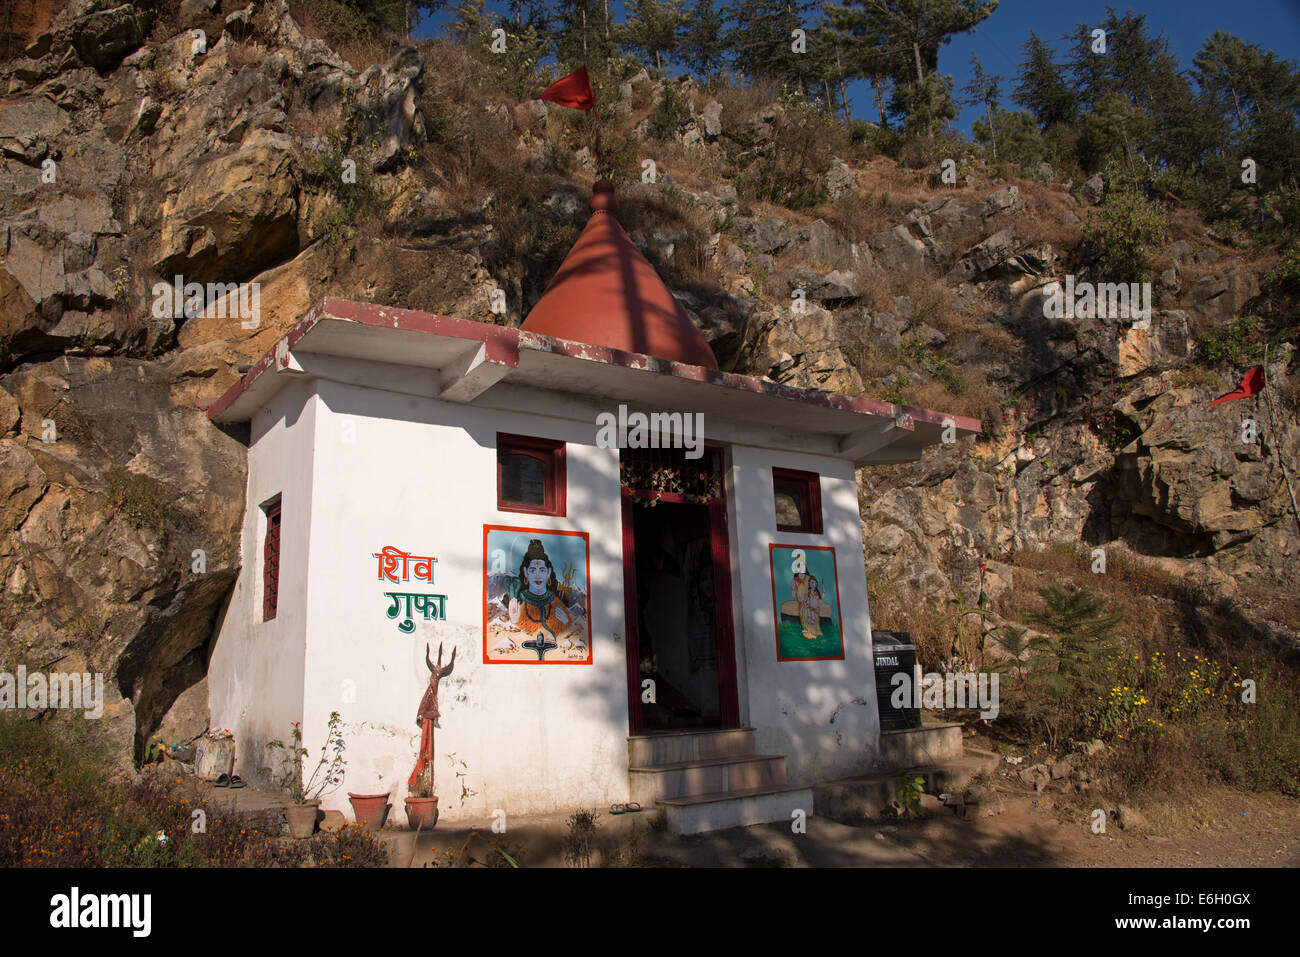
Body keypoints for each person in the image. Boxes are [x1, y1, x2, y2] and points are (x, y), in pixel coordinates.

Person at [504, 539, 573, 659]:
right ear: (525, 572)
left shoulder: (557, 603)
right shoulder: (518, 603)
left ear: (548, 572)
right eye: (532, 570)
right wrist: (515, 621)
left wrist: (566, 623)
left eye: (542, 570)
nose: (537, 575)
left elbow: (571, 635)